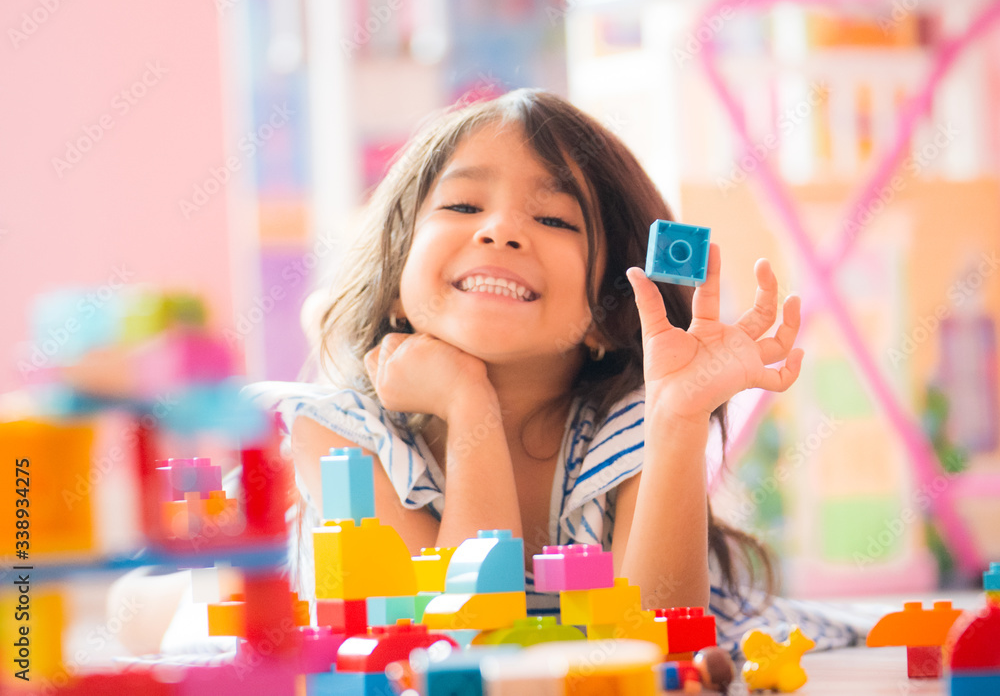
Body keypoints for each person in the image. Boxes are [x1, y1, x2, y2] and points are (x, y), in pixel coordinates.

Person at [245, 88, 867, 655]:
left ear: (608, 313)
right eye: (463, 204)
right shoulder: (335, 435)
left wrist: (678, 419)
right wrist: (470, 411)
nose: (501, 231)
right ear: (396, 284)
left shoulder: (629, 425)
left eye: (554, 220)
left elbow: (662, 643)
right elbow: (456, 645)